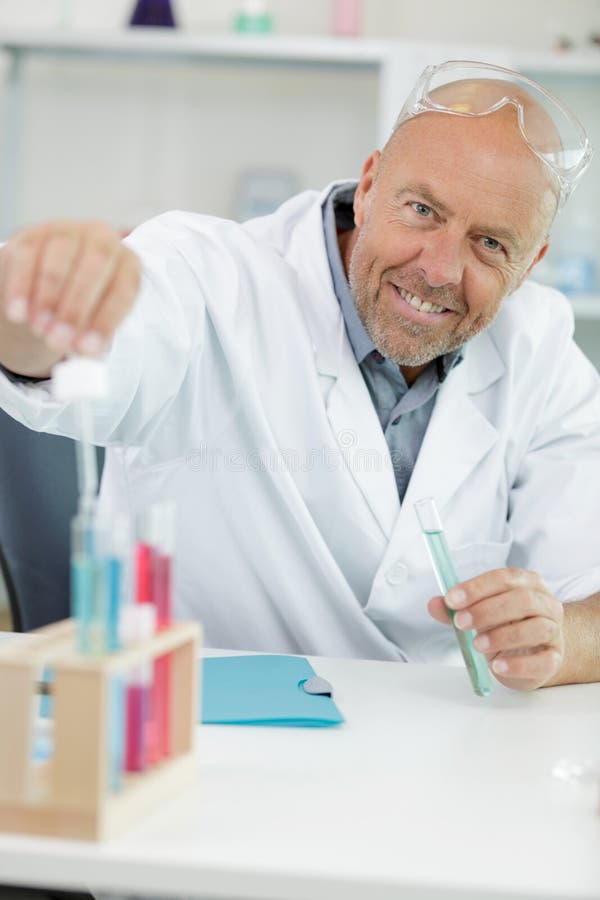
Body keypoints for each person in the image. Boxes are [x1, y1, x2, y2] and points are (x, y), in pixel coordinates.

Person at [1, 60, 599, 693]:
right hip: (211, 745)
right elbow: (64, 353)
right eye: (422, 209)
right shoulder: (205, 275)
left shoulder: (541, 344)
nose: (441, 268)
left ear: (531, 261)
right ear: (369, 187)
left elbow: (591, 600)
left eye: (491, 245)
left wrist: (559, 638)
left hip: (441, 755)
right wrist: (31, 300)